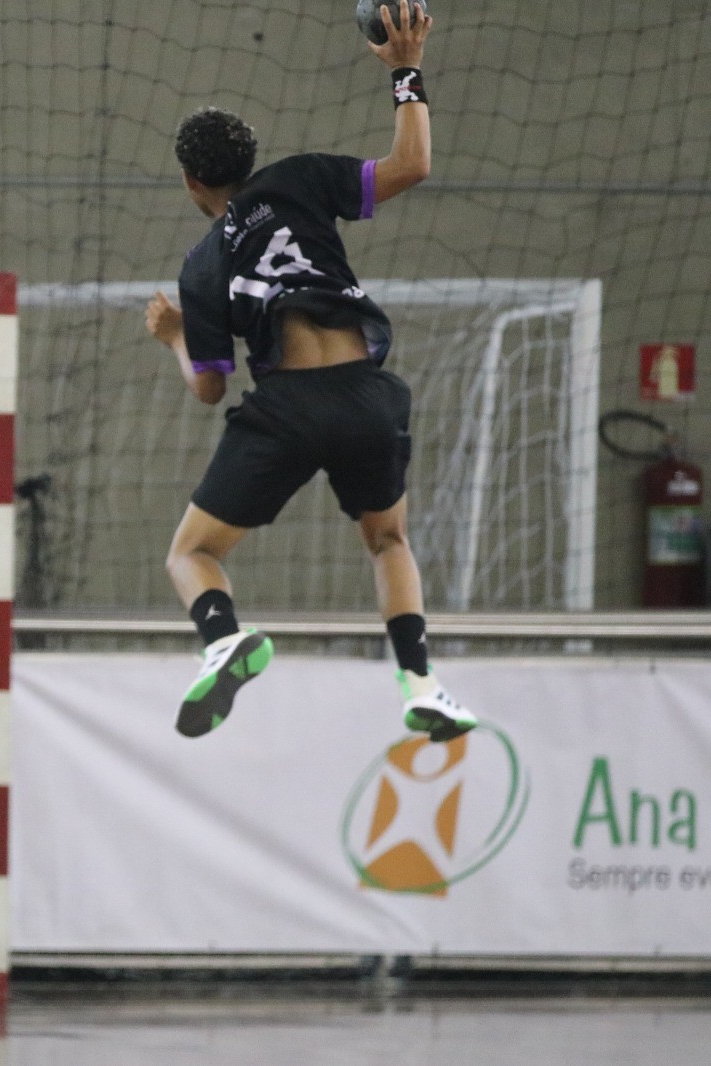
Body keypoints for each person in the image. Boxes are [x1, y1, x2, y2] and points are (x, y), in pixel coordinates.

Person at [143, 0, 476, 743]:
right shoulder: (297, 179)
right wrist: (404, 70)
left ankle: (224, 639)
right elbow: (412, 164)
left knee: (191, 553)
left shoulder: (201, 267)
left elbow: (208, 388)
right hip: (366, 396)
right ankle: (422, 684)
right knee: (388, 540)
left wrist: (171, 335)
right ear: (249, 163)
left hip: (287, 408)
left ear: (192, 181)